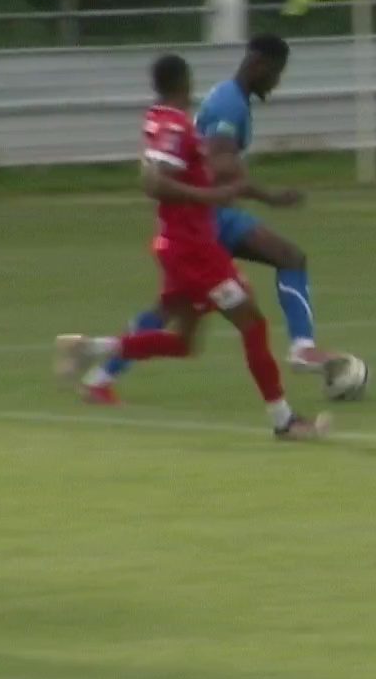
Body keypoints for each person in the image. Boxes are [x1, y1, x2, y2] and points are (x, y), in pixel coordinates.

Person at [55, 53, 329, 440]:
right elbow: (154, 182)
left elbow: (203, 177)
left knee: (184, 342)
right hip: (195, 249)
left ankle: (91, 350)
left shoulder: (159, 119)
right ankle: (284, 421)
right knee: (253, 323)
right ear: (186, 83)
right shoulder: (175, 125)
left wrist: (250, 195)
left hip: (180, 245)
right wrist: (202, 198)